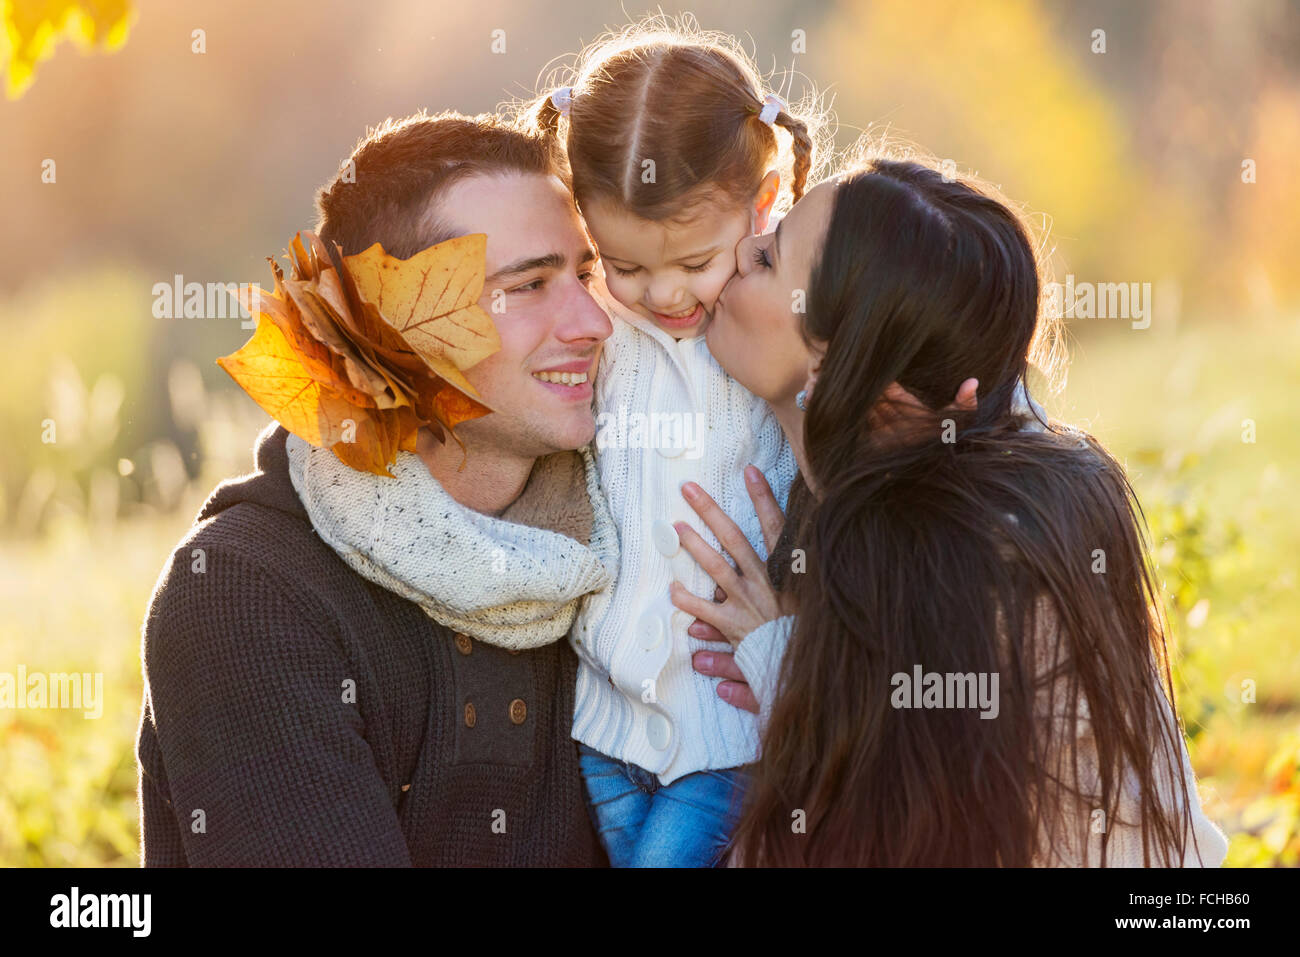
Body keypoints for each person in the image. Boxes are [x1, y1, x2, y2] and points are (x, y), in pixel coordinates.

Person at [678, 153, 1230, 866]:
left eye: (768, 257)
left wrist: (780, 657)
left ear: (844, 368)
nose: (741, 248)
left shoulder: (962, 560)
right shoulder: (992, 463)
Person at [136, 110, 617, 866]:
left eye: (585, 274)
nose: (593, 321)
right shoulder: (247, 593)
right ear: (394, 331)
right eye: (528, 286)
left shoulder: (631, 540)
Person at [518, 20, 825, 867]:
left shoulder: (782, 326)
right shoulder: (593, 330)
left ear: (762, 201)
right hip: (601, 730)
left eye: (694, 259)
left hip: (729, 736)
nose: (663, 293)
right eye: (625, 264)